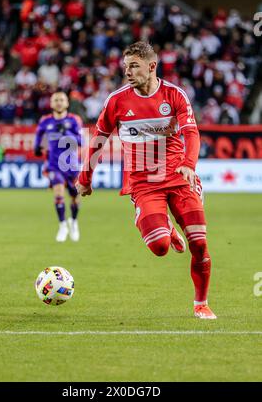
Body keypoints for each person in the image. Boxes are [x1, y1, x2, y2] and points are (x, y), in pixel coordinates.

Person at [76, 41, 216, 319]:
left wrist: (189, 165)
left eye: (134, 66)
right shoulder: (116, 100)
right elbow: (98, 141)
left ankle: (201, 303)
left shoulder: (174, 95)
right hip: (143, 183)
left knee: (199, 244)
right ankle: (164, 228)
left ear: (152, 66)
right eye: (126, 67)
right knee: (160, 248)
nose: (128, 72)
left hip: (178, 177)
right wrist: (85, 178)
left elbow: (192, 133)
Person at [34, 91, 82, 242]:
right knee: (59, 194)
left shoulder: (74, 120)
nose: (59, 103)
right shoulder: (45, 121)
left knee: (75, 197)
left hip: (71, 166)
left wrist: (66, 131)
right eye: (56, 100)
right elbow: (39, 136)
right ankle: (62, 225)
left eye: (62, 100)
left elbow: (81, 141)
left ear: (67, 103)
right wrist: (36, 147)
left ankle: (73, 222)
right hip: (54, 165)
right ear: (51, 103)